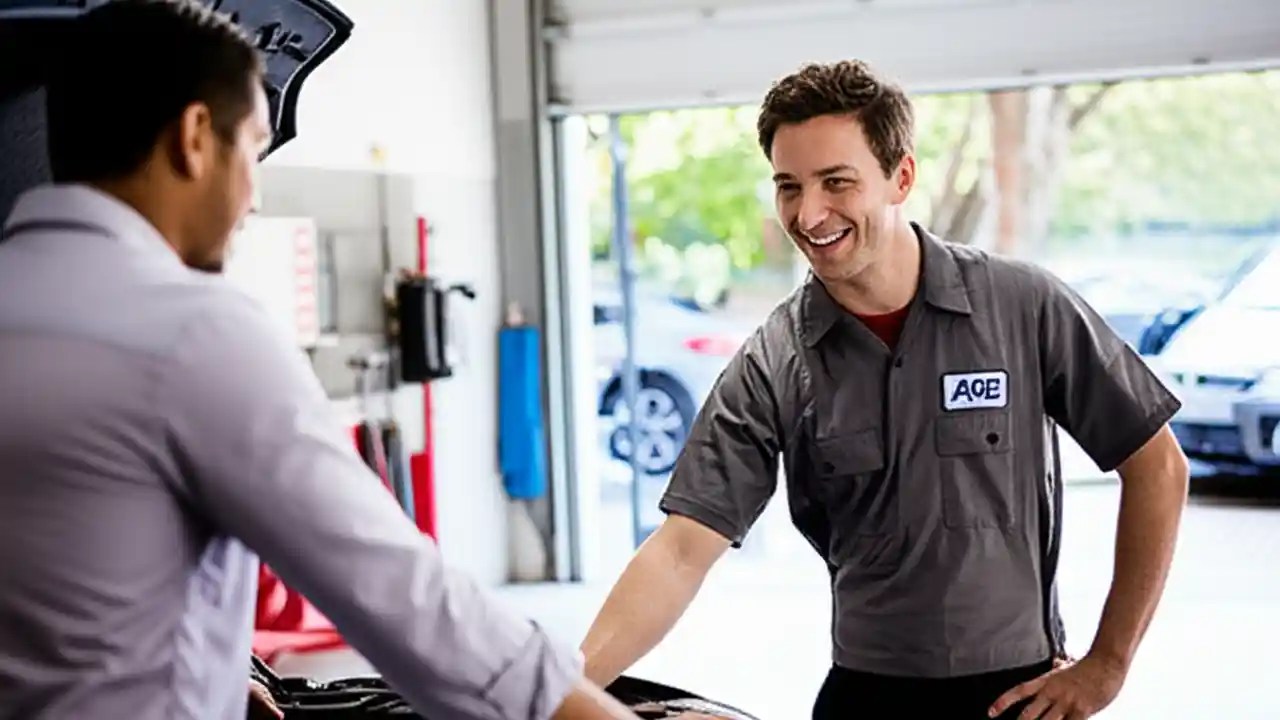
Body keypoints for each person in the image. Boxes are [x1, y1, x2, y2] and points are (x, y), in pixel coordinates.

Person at [0, 2, 641, 719]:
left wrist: (200, 666)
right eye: (252, 146)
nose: (254, 194)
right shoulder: (195, 335)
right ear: (194, 138)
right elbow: (413, 609)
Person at [579, 59, 1191, 719]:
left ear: (901, 177)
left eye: (836, 182)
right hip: (867, 697)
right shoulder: (775, 359)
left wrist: (1107, 665)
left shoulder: (1022, 305)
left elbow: (1156, 465)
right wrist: (551, 690)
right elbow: (677, 551)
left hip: (1019, 695)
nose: (809, 213)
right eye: (789, 186)